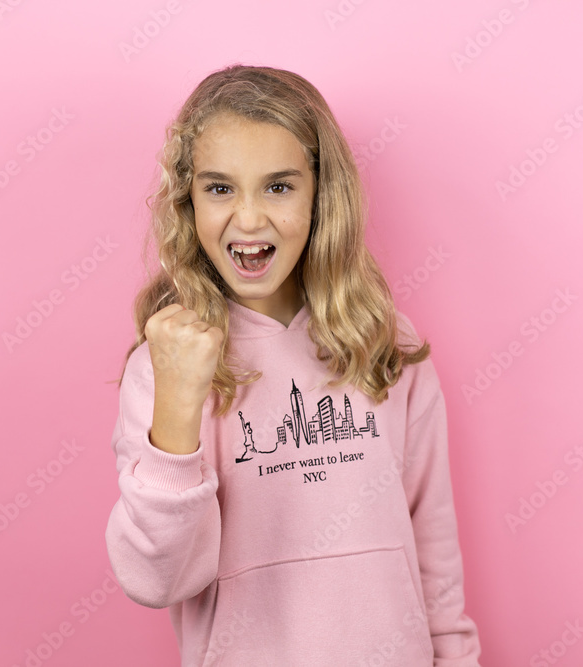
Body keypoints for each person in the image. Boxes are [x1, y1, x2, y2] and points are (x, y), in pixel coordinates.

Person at [106, 64, 481, 666]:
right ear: (188, 199)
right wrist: (178, 401)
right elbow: (157, 580)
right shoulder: (166, 366)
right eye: (220, 188)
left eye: (278, 186)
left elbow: (432, 545)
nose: (249, 219)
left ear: (319, 192)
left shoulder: (385, 346)